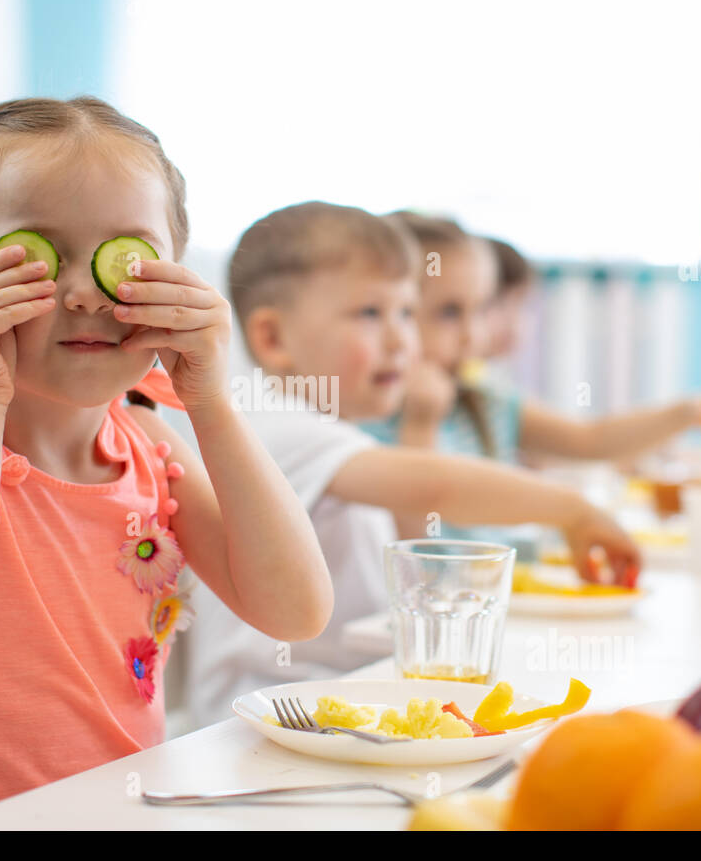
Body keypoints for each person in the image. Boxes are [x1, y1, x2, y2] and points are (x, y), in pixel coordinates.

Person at [0, 97, 332, 829]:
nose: (85, 293)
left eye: (125, 258)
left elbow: (296, 611)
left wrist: (210, 400)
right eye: (37, 255)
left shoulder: (155, 450)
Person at [181, 201, 640, 728]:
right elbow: (436, 487)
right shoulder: (272, 429)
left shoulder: (336, 434)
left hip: (338, 703)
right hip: (260, 717)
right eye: (371, 315)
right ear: (272, 339)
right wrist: (573, 510)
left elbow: (416, 549)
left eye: (405, 312)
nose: (403, 341)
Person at [363, 213, 701, 541]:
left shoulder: (486, 398)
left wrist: (688, 411)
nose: (472, 334)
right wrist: (420, 424)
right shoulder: (369, 421)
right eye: (448, 312)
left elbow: (590, 439)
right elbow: (414, 555)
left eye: (480, 310)